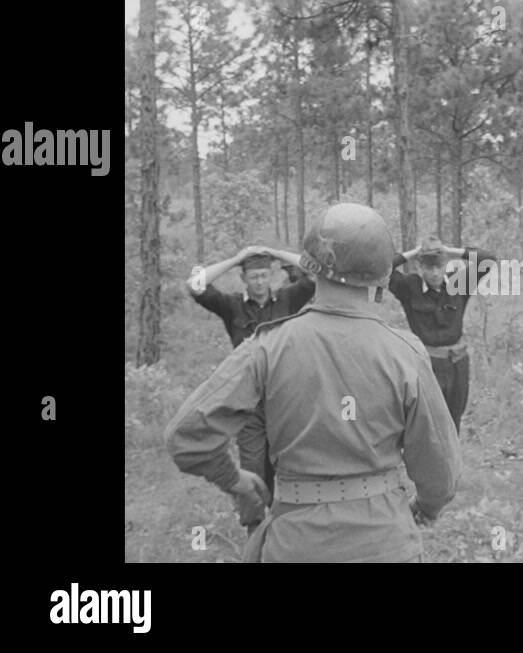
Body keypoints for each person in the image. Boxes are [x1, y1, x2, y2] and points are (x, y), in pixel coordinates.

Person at [165, 203, 461, 563]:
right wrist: (425, 508)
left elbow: (186, 436)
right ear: (384, 278)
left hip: (295, 545)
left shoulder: (266, 348)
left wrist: (236, 481)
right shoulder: (404, 352)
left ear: (307, 266)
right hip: (385, 543)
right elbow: (440, 469)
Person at [186, 245, 315, 534]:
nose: (259, 282)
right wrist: (235, 259)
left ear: (271, 276)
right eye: (252, 276)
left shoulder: (289, 297)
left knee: (289, 461)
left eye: (263, 276)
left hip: (285, 397)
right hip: (249, 401)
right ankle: (254, 530)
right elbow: (194, 285)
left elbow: (316, 272)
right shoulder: (231, 305)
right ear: (243, 278)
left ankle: (290, 525)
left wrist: (274, 252)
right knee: (252, 464)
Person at [387, 235, 496, 436]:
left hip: (458, 363)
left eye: (439, 266)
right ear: (420, 267)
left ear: (446, 264)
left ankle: (453, 463)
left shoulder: (458, 283)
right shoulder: (409, 288)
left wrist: (450, 250)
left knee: (454, 417)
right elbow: (382, 268)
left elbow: (488, 260)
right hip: (429, 364)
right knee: (428, 420)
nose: (435, 273)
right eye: (429, 267)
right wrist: (412, 253)